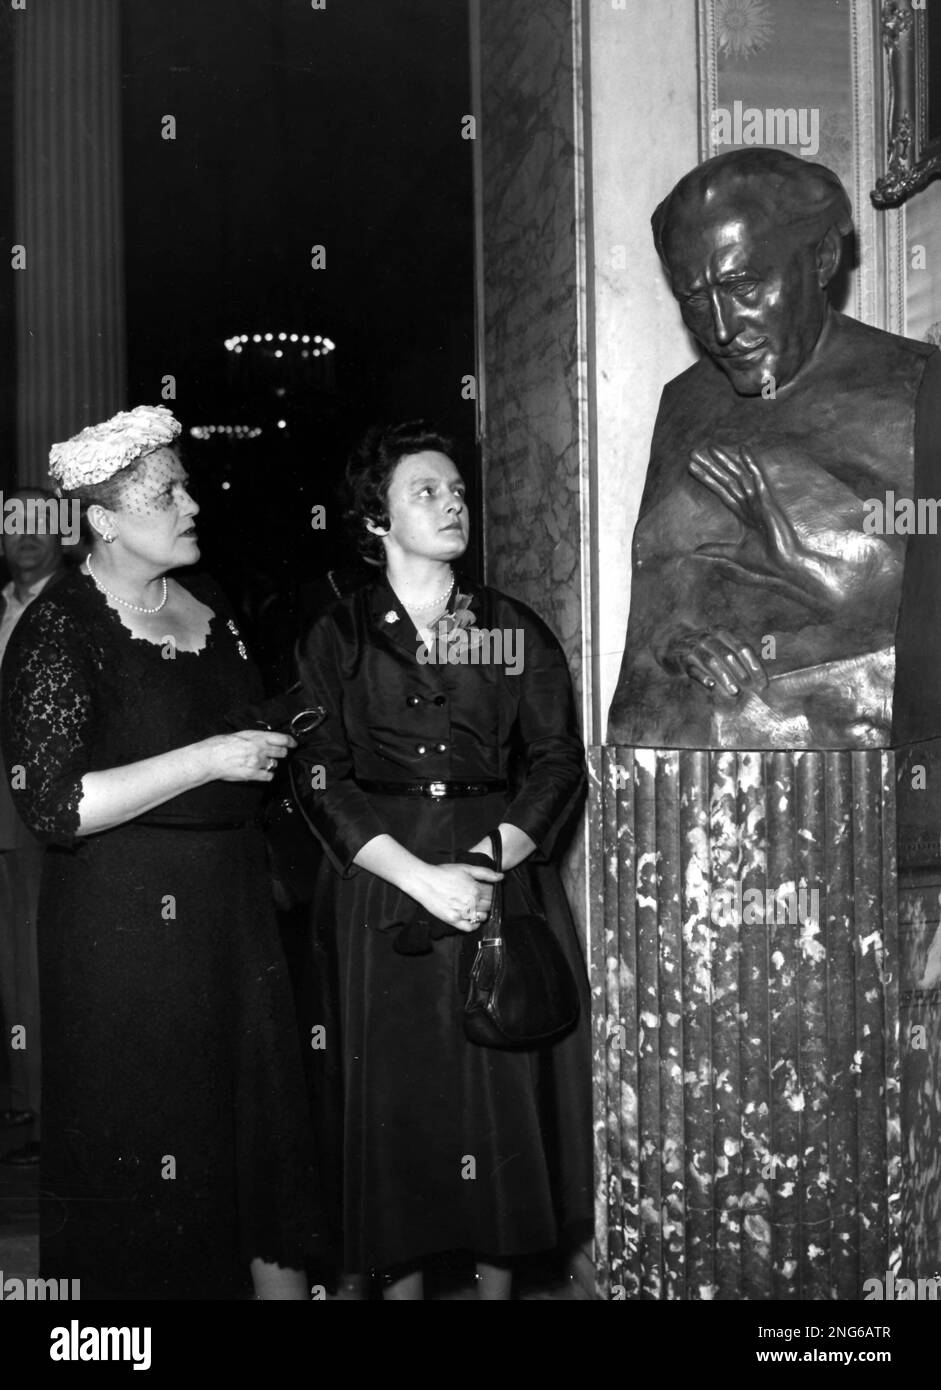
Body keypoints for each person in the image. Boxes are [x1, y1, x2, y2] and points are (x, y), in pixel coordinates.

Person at [0, 406, 323, 1299]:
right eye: (167, 491)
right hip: (122, 931)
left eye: (184, 484)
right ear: (102, 520)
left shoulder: (211, 603)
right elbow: (54, 804)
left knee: (255, 1132)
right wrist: (207, 760)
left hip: (231, 913)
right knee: (147, 1137)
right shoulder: (58, 630)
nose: (191, 504)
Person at [294, 421, 593, 1299]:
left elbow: (555, 762)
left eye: (456, 489)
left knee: (495, 1099)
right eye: (425, 491)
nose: (451, 501)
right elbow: (319, 775)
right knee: (396, 1112)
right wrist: (419, 877)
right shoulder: (337, 635)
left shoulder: (506, 627)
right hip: (380, 891)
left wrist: (490, 861)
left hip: (499, 879)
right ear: (374, 519)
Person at [607, 146, 941, 748]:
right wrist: (680, 642)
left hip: (869, 762)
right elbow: (657, 601)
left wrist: (797, 558)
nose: (721, 329)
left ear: (821, 258)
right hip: (693, 769)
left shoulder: (917, 387)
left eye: (741, 285)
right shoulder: (684, 405)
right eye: (693, 300)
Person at [0, 490, 68, 1166]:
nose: (24, 536)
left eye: (40, 522)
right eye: (11, 522)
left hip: (30, 819)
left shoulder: (73, 608)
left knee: (29, 968)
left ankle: (42, 1106)